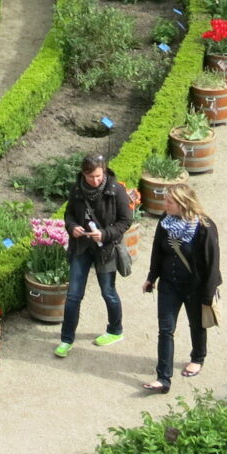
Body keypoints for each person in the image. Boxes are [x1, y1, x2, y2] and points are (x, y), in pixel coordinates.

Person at [141, 178, 221, 393]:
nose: (165, 206)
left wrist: (207, 294)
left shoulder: (204, 227)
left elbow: (212, 264)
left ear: (183, 204)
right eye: (166, 201)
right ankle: (163, 378)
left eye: (170, 203)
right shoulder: (165, 222)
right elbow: (157, 251)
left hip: (195, 286)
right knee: (165, 330)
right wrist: (152, 277)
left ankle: (198, 357)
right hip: (169, 285)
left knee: (196, 324)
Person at [56, 152, 133, 358]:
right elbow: (69, 213)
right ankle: (66, 339)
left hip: (105, 248)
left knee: (108, 292)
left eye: (99, 176)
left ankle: (115, 330)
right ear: (83, 173)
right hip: (82, 247)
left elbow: (126, 221)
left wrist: (105, 234)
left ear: (104, 171)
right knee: (73, 295)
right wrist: (72, 227)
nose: (96, 180)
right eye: (91, 177)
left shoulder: (116, 190)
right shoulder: (77, 189)